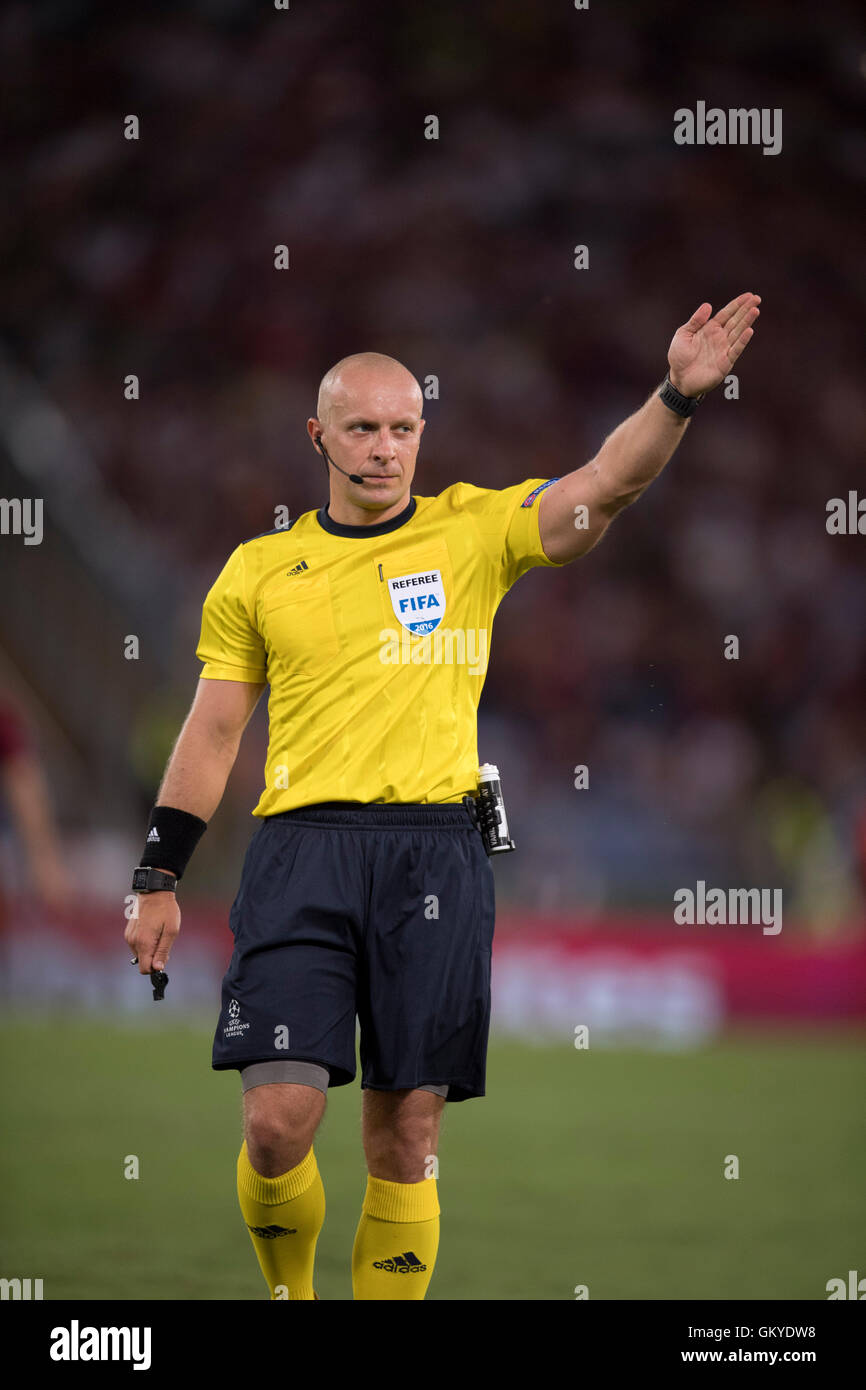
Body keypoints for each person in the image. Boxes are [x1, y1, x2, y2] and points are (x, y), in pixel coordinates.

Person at [124, 293, 761, 1300]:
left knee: (405, 1131)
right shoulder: (257, 571)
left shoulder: (474, 532)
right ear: (317, 436)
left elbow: (606, 484)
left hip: (434, 856)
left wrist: (674, 398)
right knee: (275, 1121)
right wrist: (157, 870)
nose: (385, 448)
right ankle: (289, 1295)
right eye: (362, 428)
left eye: (403, 428)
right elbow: (212, 732)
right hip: (299, 852)